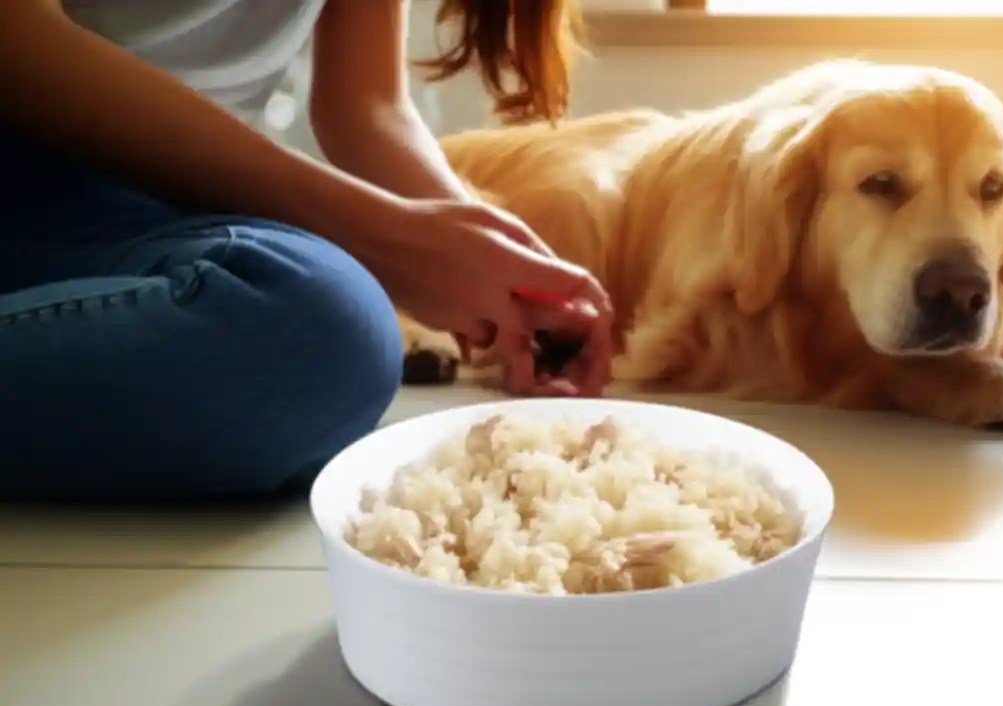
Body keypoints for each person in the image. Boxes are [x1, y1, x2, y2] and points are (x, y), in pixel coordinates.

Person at [0, 0, 614, 502]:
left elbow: (365, 107)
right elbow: (20, 45)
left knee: (310, 325)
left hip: (164, 215)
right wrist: (388, 235)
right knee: (322, 331)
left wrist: (493, 257)